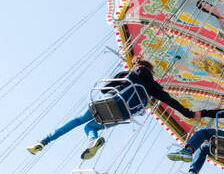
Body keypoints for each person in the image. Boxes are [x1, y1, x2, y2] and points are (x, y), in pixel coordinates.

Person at [28, 59, 196, 160]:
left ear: (138, 65)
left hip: (113, 100)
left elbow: (105, 88)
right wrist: (187, 113)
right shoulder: (153, 87)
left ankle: (45, 140)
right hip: (123, 113)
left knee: (81, 121)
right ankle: (93, 140)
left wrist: (121, 78)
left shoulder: (133, 71)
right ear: (152, 72)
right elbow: (168, 99)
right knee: (90, 127)